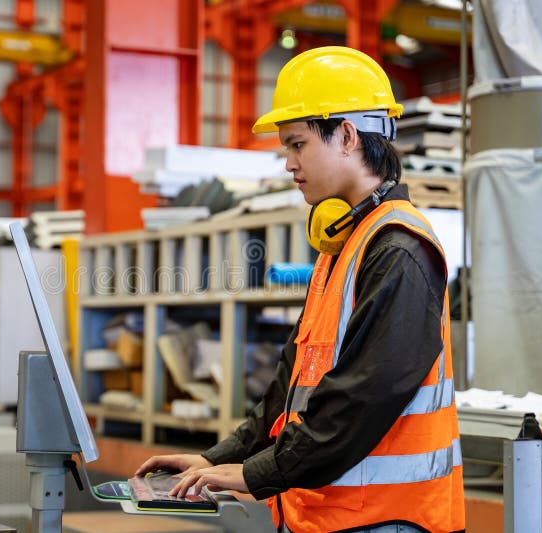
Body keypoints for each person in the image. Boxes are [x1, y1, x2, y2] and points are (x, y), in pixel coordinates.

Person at [136, 46, 465, 533]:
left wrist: (256, 473)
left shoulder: (397, 249)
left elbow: (360, 400)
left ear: (348, 136)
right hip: (332, 517)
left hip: (387, 521)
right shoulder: (342, 246)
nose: (288, 163)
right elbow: (290, 390)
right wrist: (213, 459)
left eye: (296, 144)